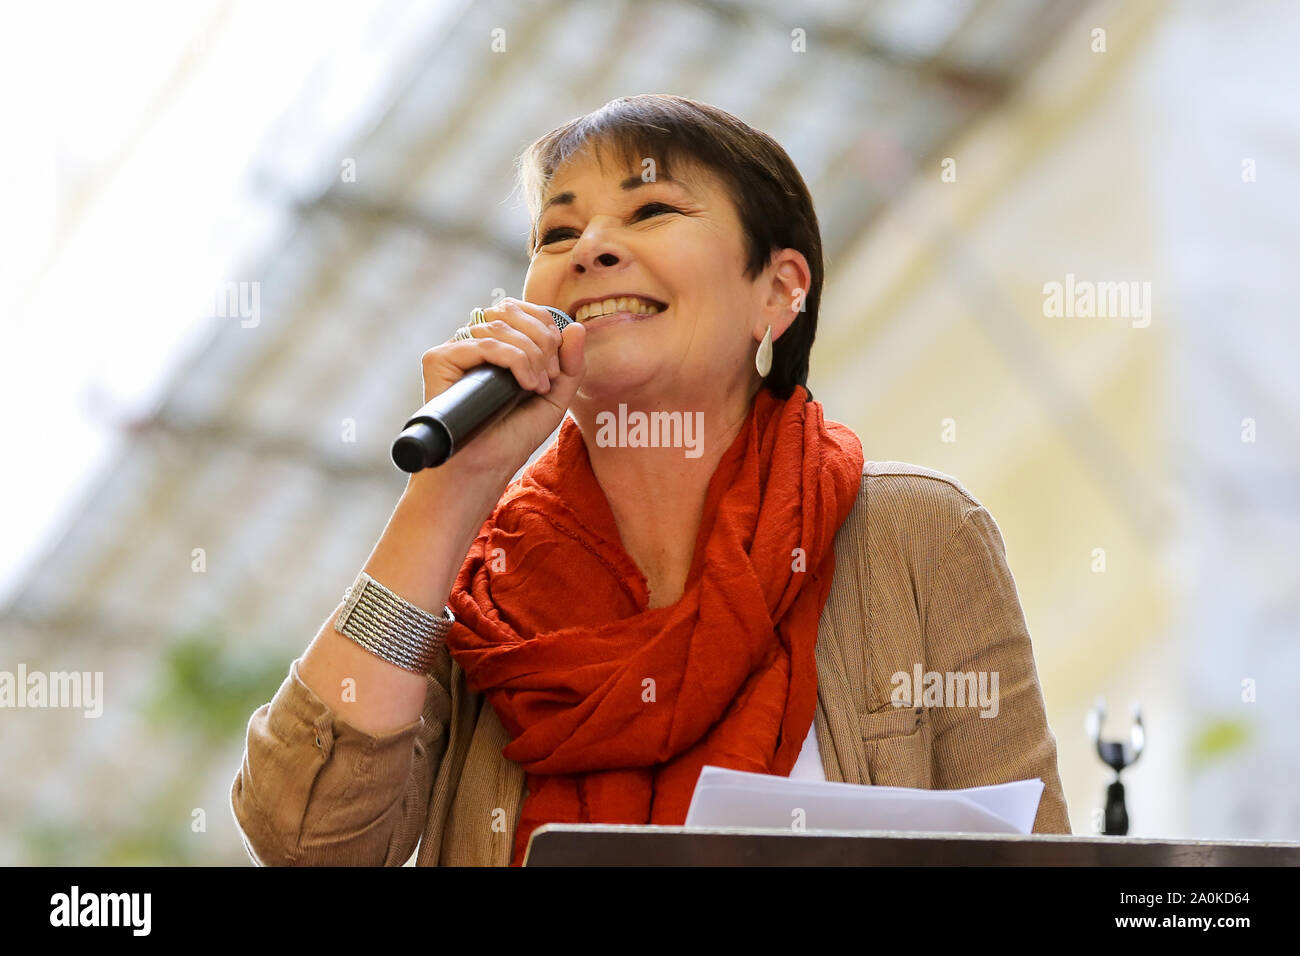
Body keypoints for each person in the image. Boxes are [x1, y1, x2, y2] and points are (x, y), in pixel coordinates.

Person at [231, 93, 1070, 867]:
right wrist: (449, 492)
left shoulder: (916, 536)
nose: (590, 247)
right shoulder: (471, 599)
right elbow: (305, 841)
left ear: (777, 293)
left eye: (653, 210)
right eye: (557, 235)